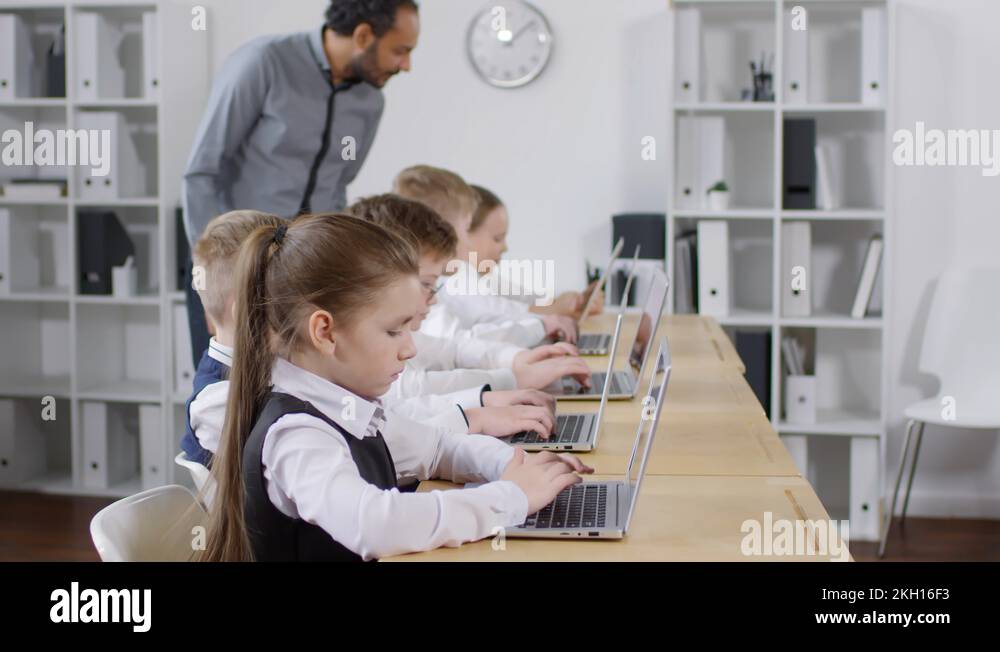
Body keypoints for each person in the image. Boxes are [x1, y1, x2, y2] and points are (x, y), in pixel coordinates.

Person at [201, 214, 592, 561]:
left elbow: (439, 447)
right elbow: (374, 524)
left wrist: (511, 466)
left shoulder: (347, 406)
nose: (409, 348)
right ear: (325, 332)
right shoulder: (295, 433)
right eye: (393, 330)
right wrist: (511, 498)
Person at [181, 0, 420, 365]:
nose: (406, 65)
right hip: (235, 269)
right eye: (400, 51)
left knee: (296, 392)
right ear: (363, 35)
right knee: (226, 395)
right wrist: (211, 274)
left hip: (308, 274)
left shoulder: (370, 101)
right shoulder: (264, 62)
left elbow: (339, 184)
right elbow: (202, 172)